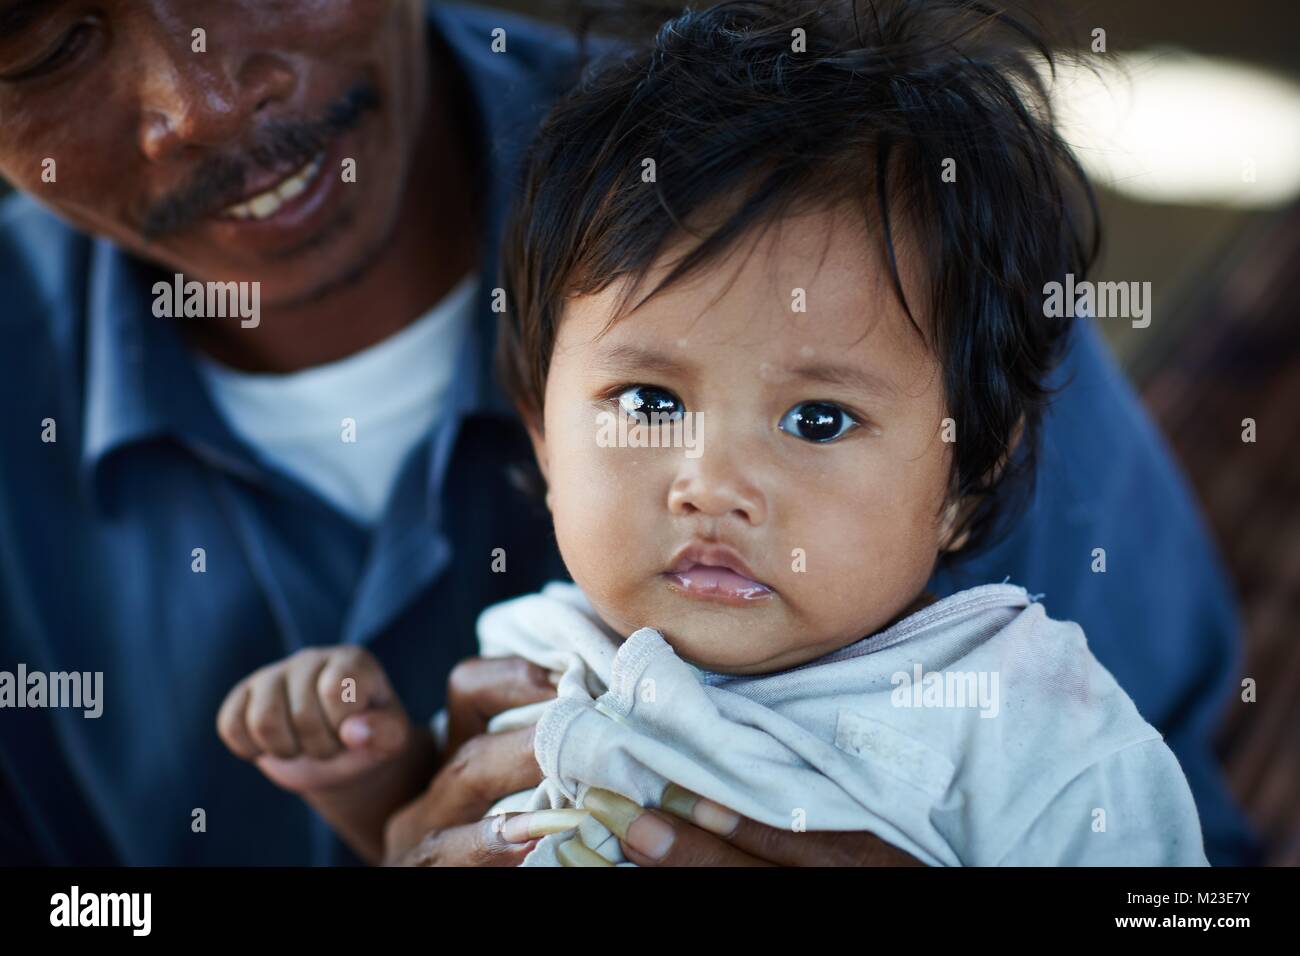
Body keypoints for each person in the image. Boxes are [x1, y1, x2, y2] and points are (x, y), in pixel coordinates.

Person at [0, 0, 1259, 866]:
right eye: (48, 42)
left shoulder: (1019, 707)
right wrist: (371, 788)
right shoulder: (545, 642)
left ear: (969, 488)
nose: (207, 98)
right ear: (535, 427)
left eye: (818, 420)